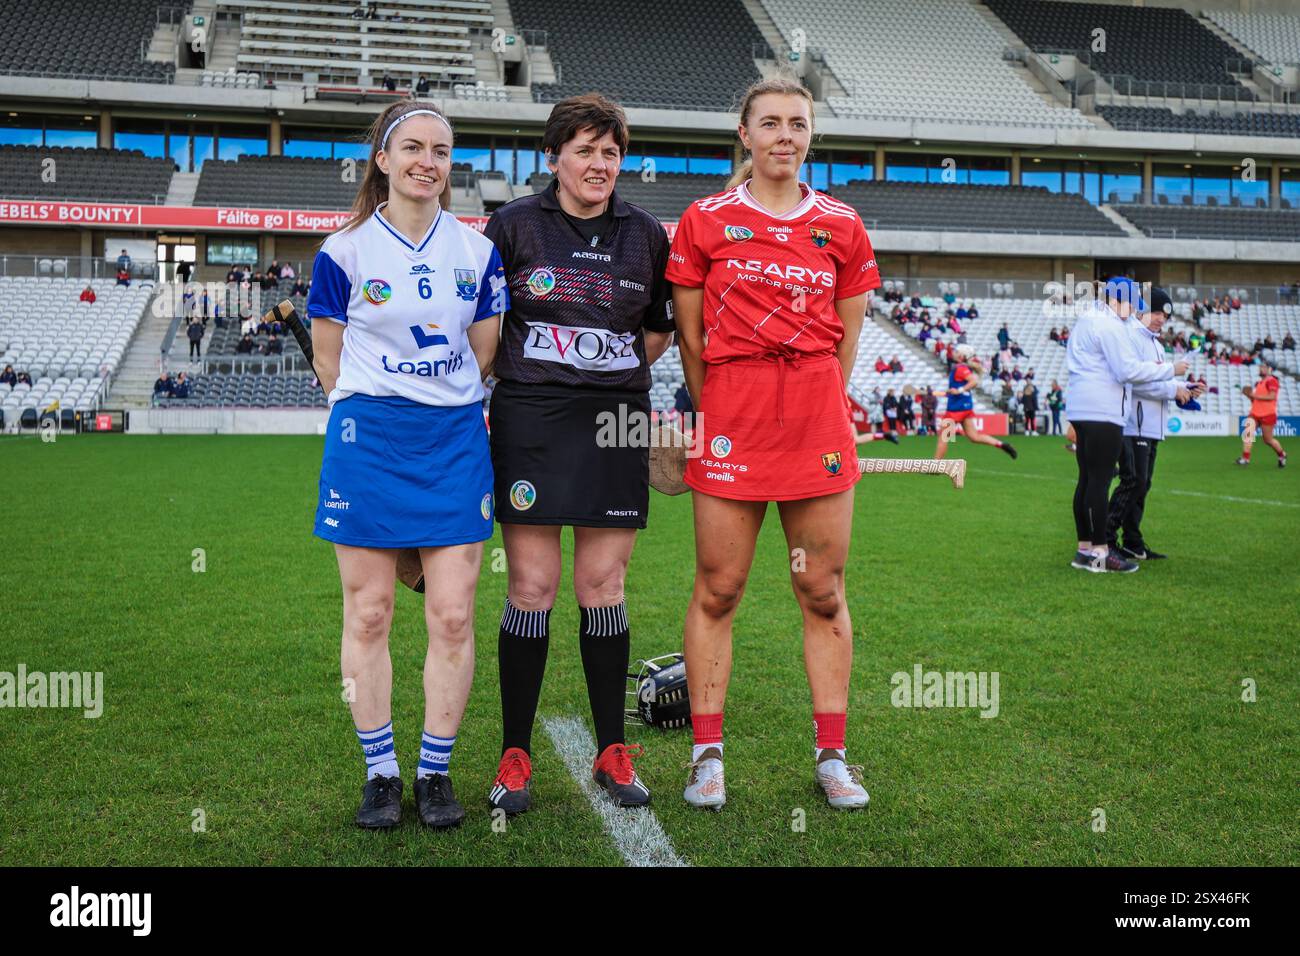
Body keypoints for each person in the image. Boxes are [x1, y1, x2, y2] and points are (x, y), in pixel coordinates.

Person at [667, 76, 879, 811]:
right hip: (733, 418)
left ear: (810, 135)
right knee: (719, 588)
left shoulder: (843, 226)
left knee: (821, 591)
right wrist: (719, 405)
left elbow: (845, 341)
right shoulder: (704, 219)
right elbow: (692, 340)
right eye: (771, 123)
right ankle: (705, 756)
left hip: (816, 420)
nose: (785, 135)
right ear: (746, 136)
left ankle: (832, 755)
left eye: (798, 123)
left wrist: (814, 401)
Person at [307, 101, 507, 830]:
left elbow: (485, 353)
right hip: (369, 437)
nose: (429, 160)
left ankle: (436, 770)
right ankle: (382, 773)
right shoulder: (344, 251)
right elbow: (328, 361)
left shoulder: (479, 251)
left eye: (443, 150)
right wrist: (377, 410)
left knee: (453, 614)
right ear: (384, 161)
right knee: (369, 611)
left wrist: (437, 401)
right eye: (414, 147)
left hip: (454, 439)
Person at [483, 94, 672, 814]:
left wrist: (602, 372)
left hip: (614, 420)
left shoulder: (646, 234)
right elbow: (484, 323)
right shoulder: (512, 226)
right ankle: (514, 753)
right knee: (531, 588)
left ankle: (612, 752)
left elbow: (656, 332)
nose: (600, 165)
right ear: (555, 156)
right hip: (530, 417)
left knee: (604, 585)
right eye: (586, 150)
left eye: (611, 152)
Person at [1065, 278, 1185, 574]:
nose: (1133, 311)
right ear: (1119, 299)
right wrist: (1172, 370)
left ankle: (1085, 551)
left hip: (1082, 406)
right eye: (1132, 304)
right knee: (1100, 482)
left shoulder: (1089, 318)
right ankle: (1099, 553)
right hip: (1103, 409)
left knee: (1086, 481)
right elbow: (1126, 370)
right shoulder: (1108, 325)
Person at [1106, 288, 1202, 561]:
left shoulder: (1156, 343)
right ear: (1140, 310)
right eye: (1157, 312)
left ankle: (1133, 542)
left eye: (1165, 315)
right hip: (1134, 424)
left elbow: (1158, 380)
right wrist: (1174, 390)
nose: (1161, 319)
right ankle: (1107, 538)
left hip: (1150, 425)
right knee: (1133, 482)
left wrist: (1185, 387)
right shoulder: (1132, 337)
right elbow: (1134, 381)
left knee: (1142, 485)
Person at [934, 344, 1017, 461]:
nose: (953, 352)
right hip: (965, 408)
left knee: (944, 438)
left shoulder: (960, 369)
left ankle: (935, 466)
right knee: (974, 437)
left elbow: (974, 382)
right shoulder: (961, 368)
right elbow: (964, 385)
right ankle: (1002, 444)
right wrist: (954, 391)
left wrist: (959, 390)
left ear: (962, 356)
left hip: (955, 410)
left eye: (956, 351)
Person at [1237, 360, 1287, 468]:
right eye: (1261, 367)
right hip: (1255, 412)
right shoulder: (1259, 383)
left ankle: (1282, 454)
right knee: (1248, 435)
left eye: (1264, 367)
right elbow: (1255, 400)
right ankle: (1245, 458)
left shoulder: (1272, 381)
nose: (1261, 368)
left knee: (1268, 440)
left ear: (1270, 369)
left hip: (1267, 414)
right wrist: (1249, 395)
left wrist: (1253, 396)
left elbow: (1272, 396)